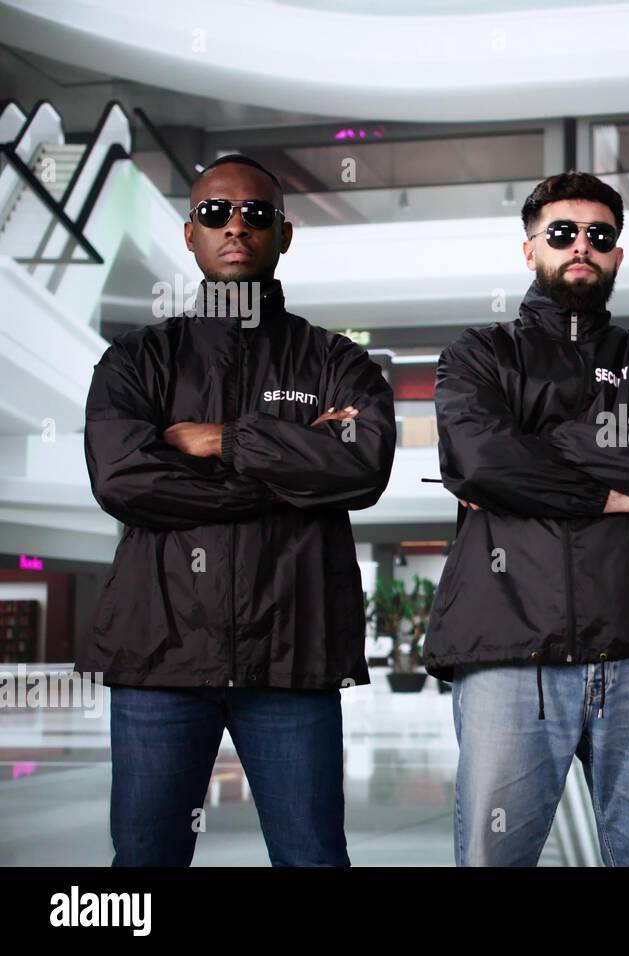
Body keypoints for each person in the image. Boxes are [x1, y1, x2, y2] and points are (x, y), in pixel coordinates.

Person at [80, 154, 396, 866]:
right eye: (216, 213)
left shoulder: (335, 361)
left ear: (283, 235)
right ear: (190, 233)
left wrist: (223, 440)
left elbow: (361, 466)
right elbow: (125, 480)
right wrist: (288, 478)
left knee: (313, 858)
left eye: (256, 215)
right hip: (159, 661)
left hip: (292, 663)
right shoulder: (137, 362)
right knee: (143, 866)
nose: (236, 227)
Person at [425, 172, 629, 866]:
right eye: (563, 233)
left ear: (616, 254)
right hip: (506, 651)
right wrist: (605, 487)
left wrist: (536, 445)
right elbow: (479, 457)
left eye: (599, 235)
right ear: (530, 251)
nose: (582, 245)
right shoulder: (478, 353)